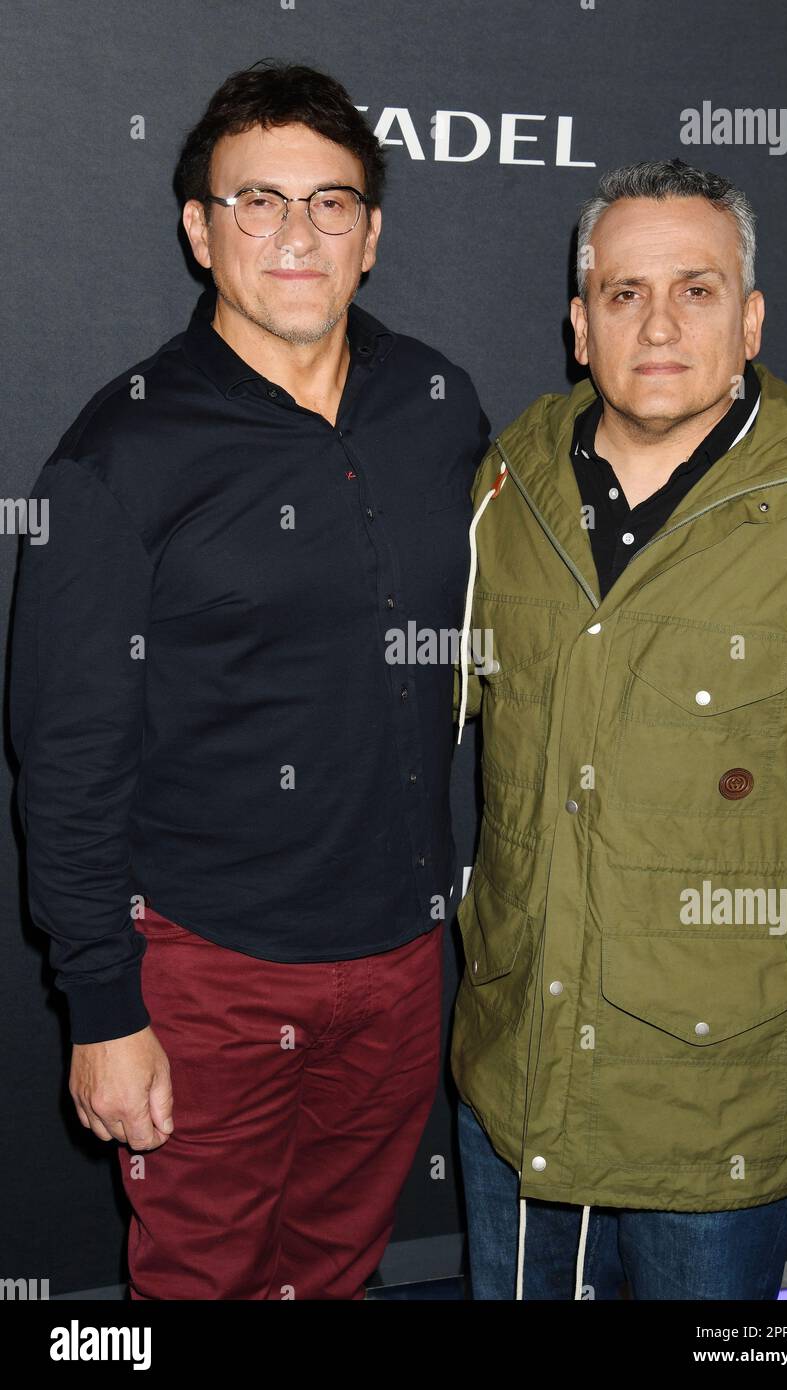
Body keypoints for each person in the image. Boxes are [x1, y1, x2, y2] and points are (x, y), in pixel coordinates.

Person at [10, 59, 488, 1300]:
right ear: (198, 229)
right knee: (199, 1280)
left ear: (370, 235)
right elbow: (65, 758)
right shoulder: (118, 454)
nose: (294, 233)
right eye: (256, 201)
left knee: (335, 1269)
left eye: (329, 203)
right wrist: (104, 1010)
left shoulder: (439, 406)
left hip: (398, 961)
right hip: (204, 968)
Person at [451, 158, 787, 1300]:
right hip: (517, 1070)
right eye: (623, 292)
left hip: (716, 1098)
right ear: (577, 324)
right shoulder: (510, 485)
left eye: (694, 290)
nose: (656, 323)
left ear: (748, 322)